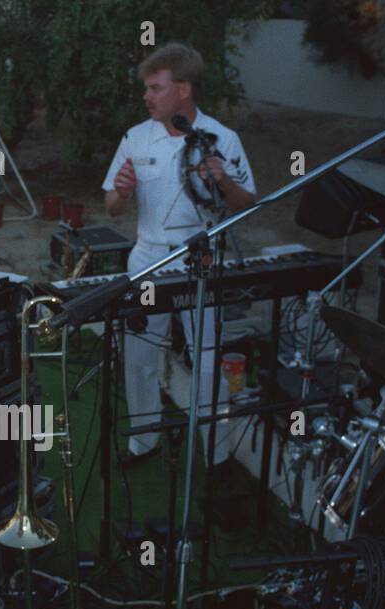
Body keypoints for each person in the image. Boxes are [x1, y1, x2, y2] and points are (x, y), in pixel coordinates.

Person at [102, 42, 256, 466]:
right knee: (138, 354)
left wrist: (223, 181)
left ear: (183, 89)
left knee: (207, 357)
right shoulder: (135, 137)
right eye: (146, 89)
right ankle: (143, 442)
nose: (147, 97)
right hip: (148, 258)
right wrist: (122, 192)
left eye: (156, 88)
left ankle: (217, 455)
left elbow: (247, 204)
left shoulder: (222, 138)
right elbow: (111, 205)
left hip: (201, 260)